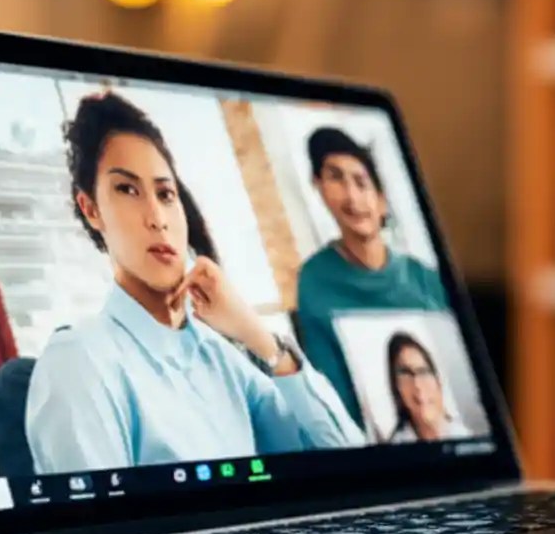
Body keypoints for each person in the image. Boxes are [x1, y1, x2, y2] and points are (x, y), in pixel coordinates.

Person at [25, 91, 363, 475]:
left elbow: (347, 460)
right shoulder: (79, 360)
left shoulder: (216, 356)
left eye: (166, 194)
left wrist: (255, 332)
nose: (157, 218)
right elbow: (96, 528)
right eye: (127, 189)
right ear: (91, 209)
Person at [295, 127, 448, 431]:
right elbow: (331, 399)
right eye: (336, 178)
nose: (352, 197)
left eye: (361, 182)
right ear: (319, 186)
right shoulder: (314, 280)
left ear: (381, 201)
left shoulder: (427, 279)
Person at [385, 332, 471, 442]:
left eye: (423, 371)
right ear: (396, 388)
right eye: (406, 374)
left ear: (438, 383)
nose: (417, 384)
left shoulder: (464, 437)